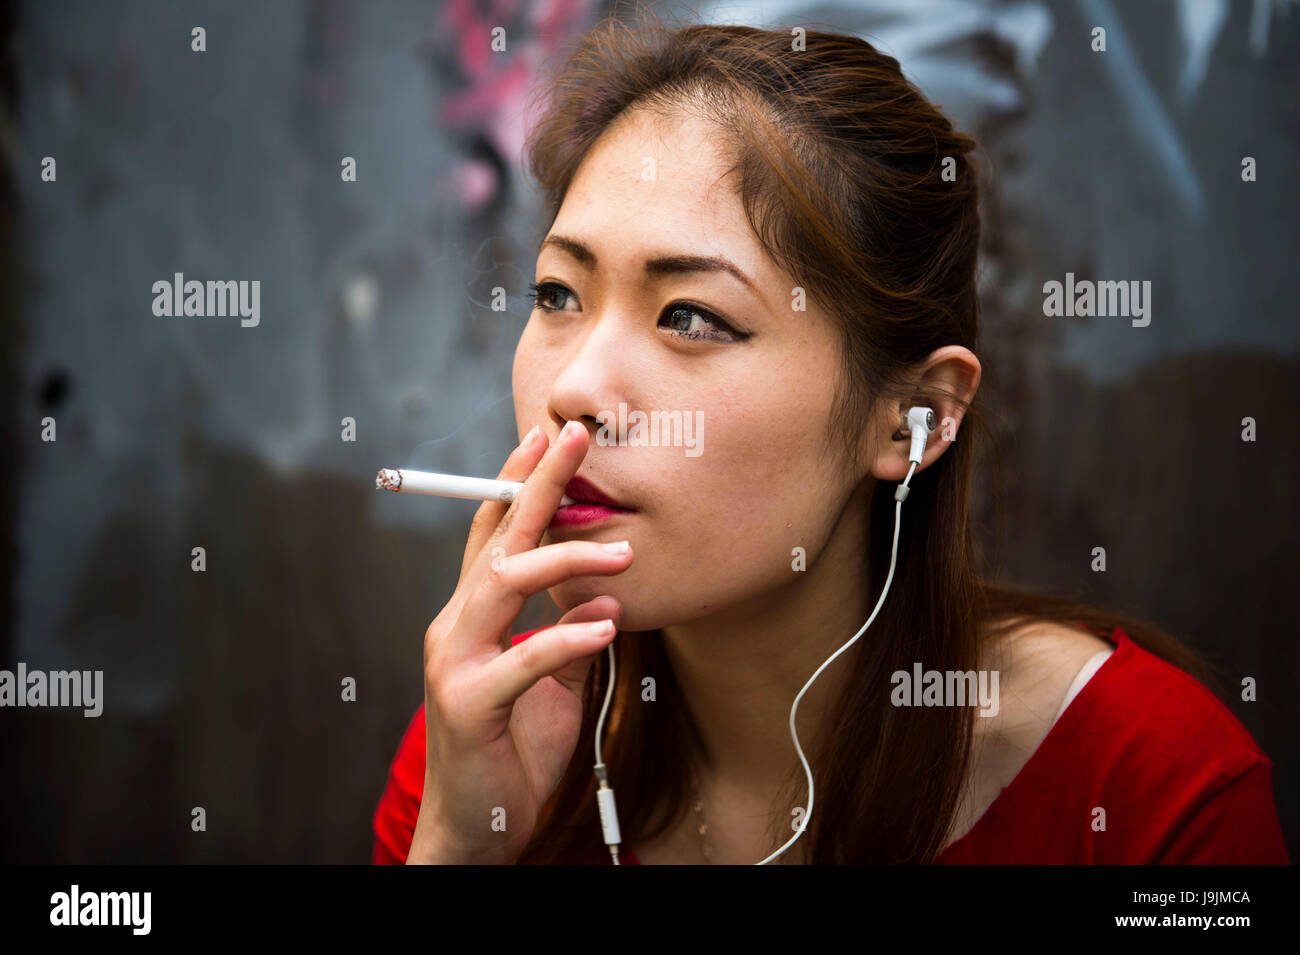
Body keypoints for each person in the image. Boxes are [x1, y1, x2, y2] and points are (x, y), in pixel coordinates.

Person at [373, 13, 1289, 865]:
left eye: (691, 315)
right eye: (558, 295)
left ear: (911, 417)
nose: (572, 389)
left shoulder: (1144, 790)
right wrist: (460, 839)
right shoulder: (486, 736)